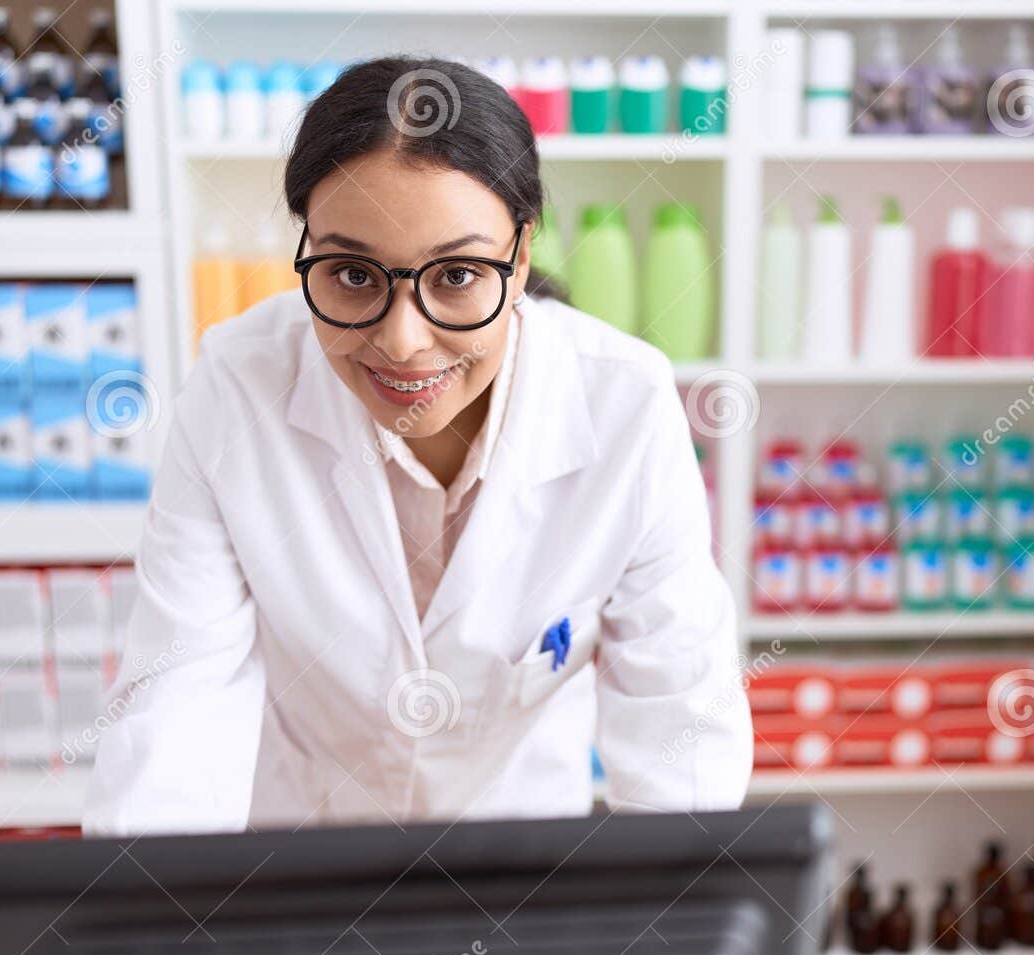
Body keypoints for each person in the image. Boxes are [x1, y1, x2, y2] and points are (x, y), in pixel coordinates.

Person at [84, 57, 749, 835]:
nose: (401, 341)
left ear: (521, 256)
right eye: (353, 276)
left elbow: (679, 738)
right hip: (301, 860)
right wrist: (154, 933)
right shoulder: (235, 390)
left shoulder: (625, 405)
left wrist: (667, 939)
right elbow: (176, 713)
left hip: (520, 871)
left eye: (459, 275)